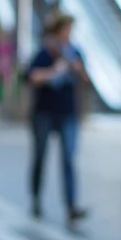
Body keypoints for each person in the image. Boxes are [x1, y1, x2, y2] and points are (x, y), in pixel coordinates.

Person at [27, 13, 89, 223]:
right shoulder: (46, 53)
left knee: (69, 159)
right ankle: (36, 198)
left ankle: (71, 205)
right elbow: (32, 76)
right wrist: (53, 71)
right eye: (65, 30)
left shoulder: (74, 53)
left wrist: (77, 68)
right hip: (44, 112)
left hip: (67, 112)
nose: (68, 35)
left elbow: (86, 79)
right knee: (40, 157)